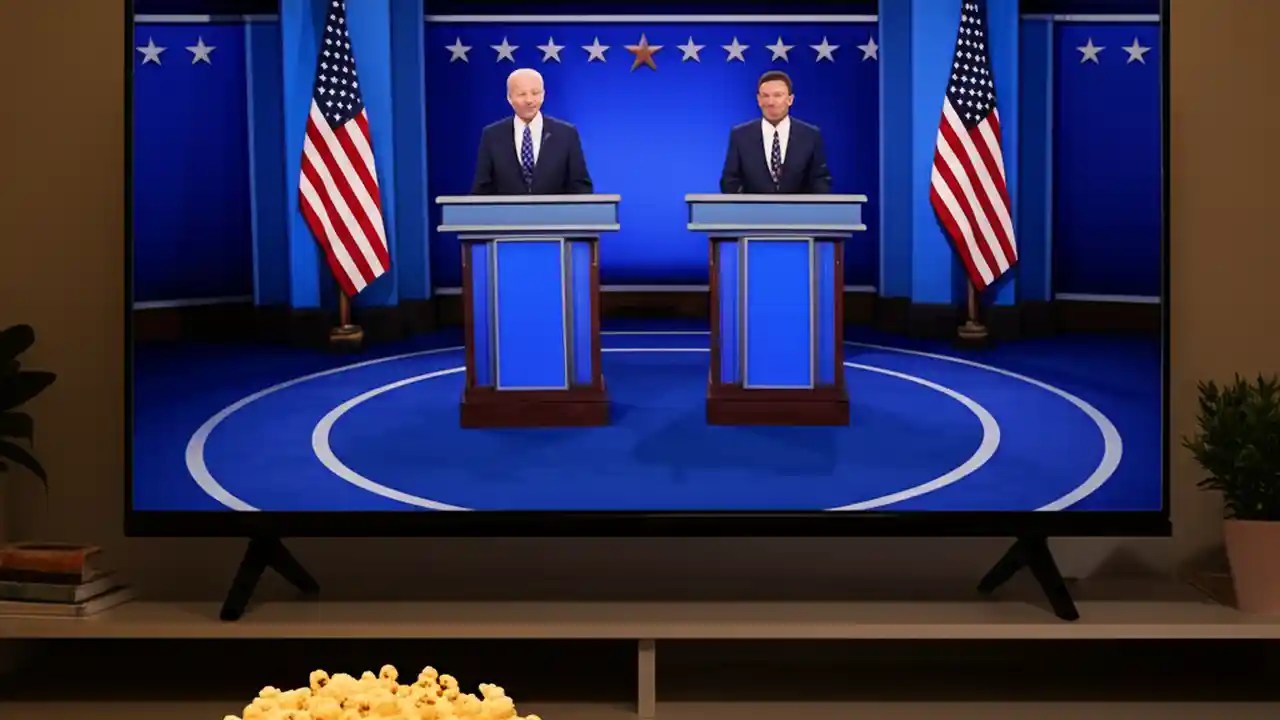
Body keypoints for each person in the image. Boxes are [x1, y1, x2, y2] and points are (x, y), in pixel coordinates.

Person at [470, 68, 594, 195]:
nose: (529, 100)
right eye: (522, 94)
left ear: (543, 95)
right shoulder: (492, 135)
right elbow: (482, 191)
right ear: (509, 97)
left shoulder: (566, 134)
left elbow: (581, 189)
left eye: (535, 93)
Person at [719, 70, 832, 194]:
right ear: (758, 100)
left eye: (777, 95)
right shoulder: (740, 135)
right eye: (765, 96)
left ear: (790, 99)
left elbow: (819, 180)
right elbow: (730, 181)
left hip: (798, 207)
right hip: (753, 207)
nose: (770, 102)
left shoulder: (810, 135)